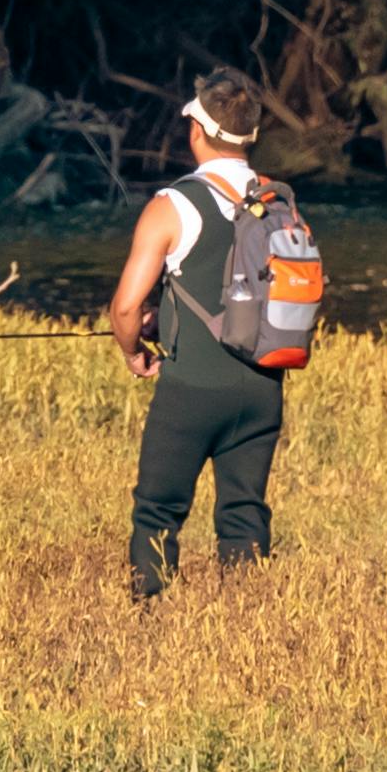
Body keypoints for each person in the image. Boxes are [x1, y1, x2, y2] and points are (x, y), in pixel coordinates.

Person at [103, 70, 291, 599]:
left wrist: (133, 350)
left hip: (192, 388)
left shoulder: (173, 205)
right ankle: (246, 622)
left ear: (196, 131)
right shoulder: (277, 200)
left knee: (158, 509)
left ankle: (149, 618)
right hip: (263, 386)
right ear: (250, 135)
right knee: (244, 511)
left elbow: (124, 307)